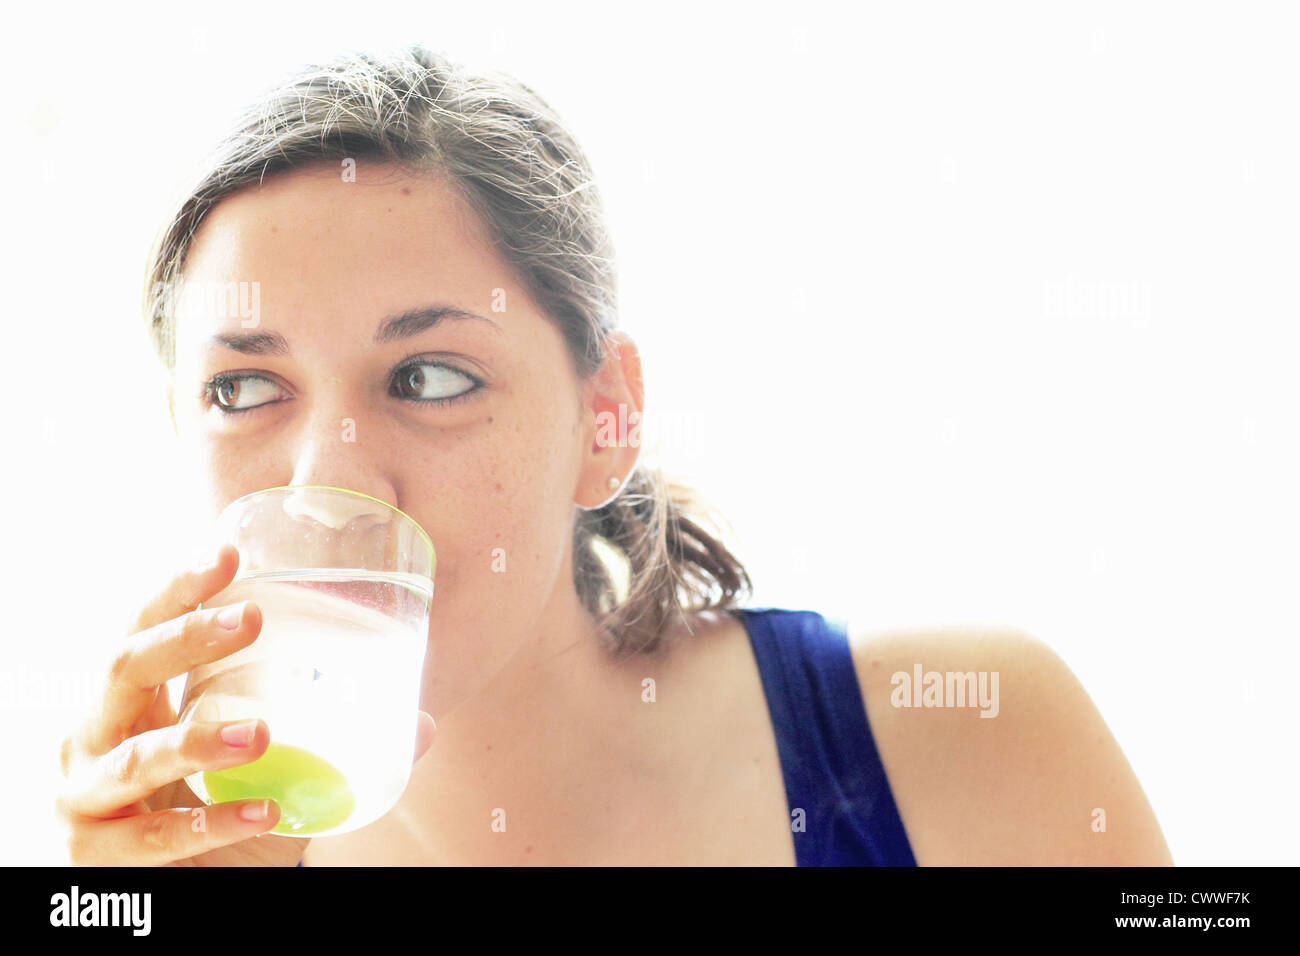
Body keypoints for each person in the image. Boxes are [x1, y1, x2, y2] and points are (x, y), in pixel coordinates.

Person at [54, 47, 1173, 866]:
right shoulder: (161, 866)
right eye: (243, 389)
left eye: (432, 376)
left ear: (608, 416)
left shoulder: (961, 735)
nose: (327, 483)